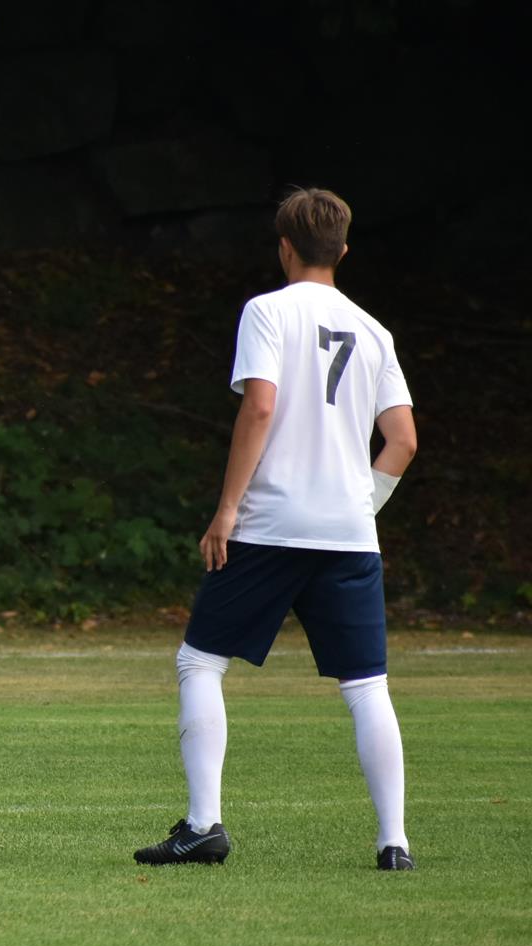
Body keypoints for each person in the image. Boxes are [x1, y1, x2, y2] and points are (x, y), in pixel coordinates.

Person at [132, 187, 417, 871]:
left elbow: (259, 408)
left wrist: (227, 508)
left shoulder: (266, 311)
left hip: (270, 523)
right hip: (349, 533)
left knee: (200, 662)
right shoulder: (374, 330)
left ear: (283, 247)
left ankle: (204, 824)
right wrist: (358, 504)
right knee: (366, 684)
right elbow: (402, 440)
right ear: (344, 251)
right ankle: (394, 841)